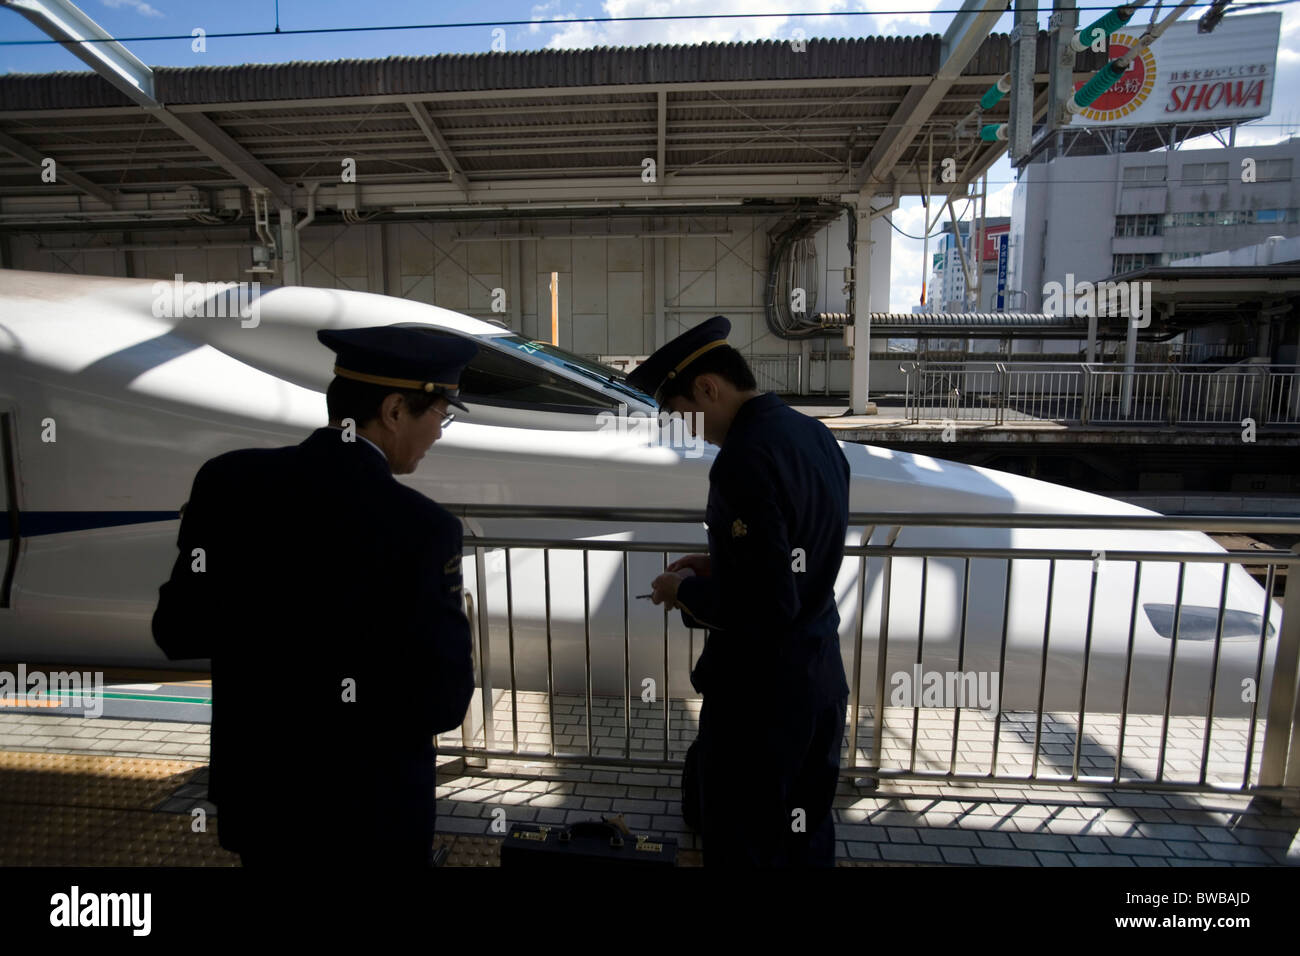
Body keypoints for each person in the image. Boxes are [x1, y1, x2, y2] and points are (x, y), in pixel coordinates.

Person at [152, 325, 479, 868]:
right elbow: (444, 700)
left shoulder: (227, 481)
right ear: (396, 409)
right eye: (440, 415)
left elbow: (178, 629)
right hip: (371, 811)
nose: (440, 433)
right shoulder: (423, 528)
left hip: (262, 798)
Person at [630, 316, 850, 867]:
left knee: (744, 840)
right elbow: (795, 555)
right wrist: (713, 564)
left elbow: (764, 606)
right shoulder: (815, 435)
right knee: (805, 831)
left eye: (683, 412)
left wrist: (682, 591)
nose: (689, 428)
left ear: (708, 387)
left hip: (760, 699)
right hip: (820, 675)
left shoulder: (741, 461)